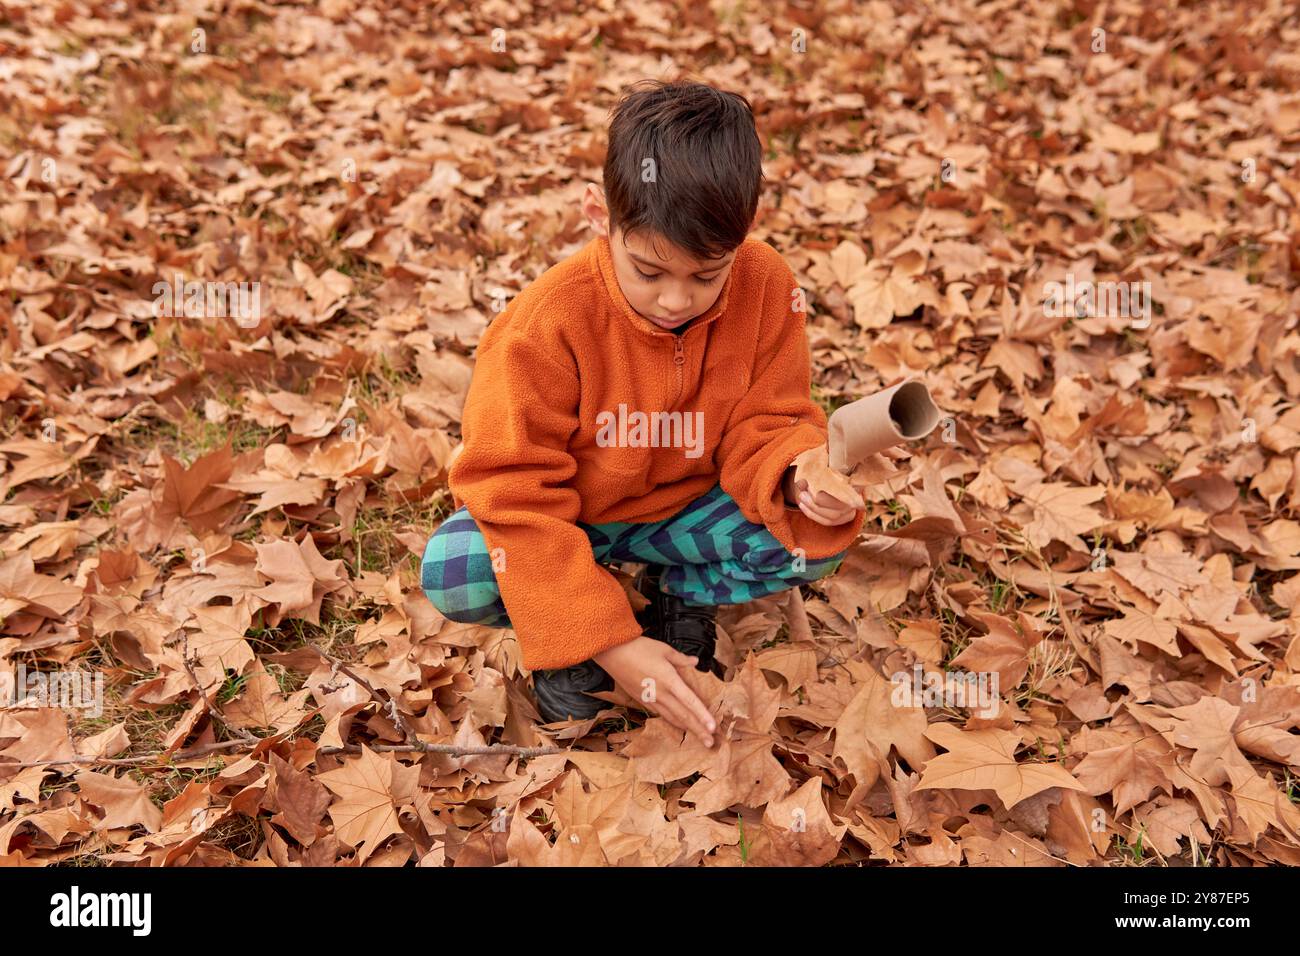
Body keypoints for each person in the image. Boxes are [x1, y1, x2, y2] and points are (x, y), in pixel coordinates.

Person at [421, 78, 865, 749]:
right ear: (600, 217)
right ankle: (575, 634)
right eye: (649, 271)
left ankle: (676, 592)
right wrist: (610, 645)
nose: (675, 300)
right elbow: (512, 494)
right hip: (574, 521)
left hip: (686, 511)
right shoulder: (546, 325)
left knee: (810, 534)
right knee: (454, 570)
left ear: (743, 236)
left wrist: (796, 476)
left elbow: (770, 421)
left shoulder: (767, 285)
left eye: (706, 275)